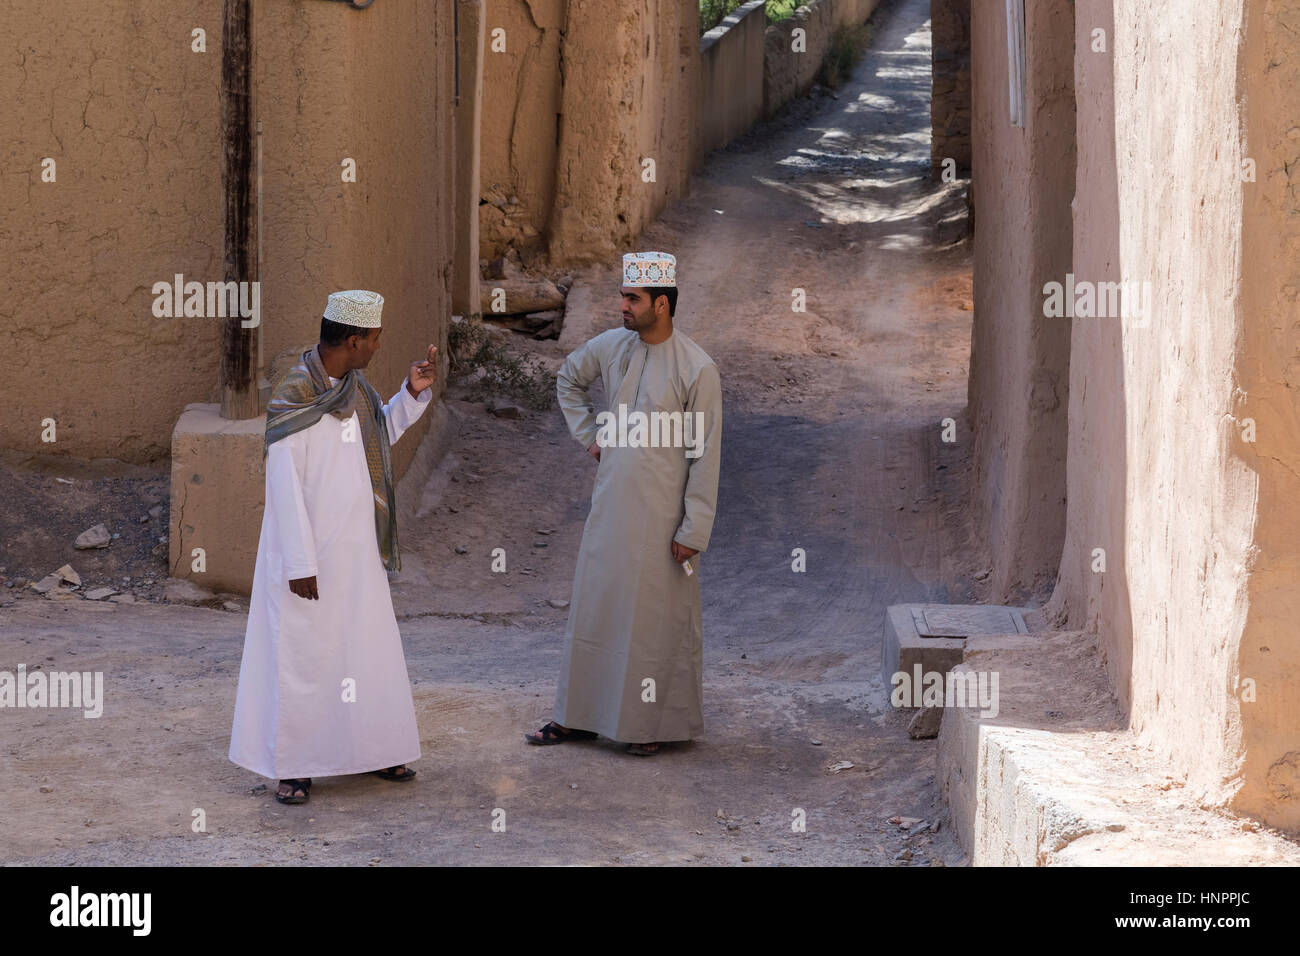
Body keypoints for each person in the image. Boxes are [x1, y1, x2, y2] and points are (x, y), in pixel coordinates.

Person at [229, 289, 437, 803]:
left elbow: (376, 439)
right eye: (375, 338)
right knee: (305, 657)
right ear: (352, 339)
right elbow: (283, 487)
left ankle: (375, 750)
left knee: (365, 653)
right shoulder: (294, 395)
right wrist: (300, 561)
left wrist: (409, 395)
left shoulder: (356, 390)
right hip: (307, 555)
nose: (379, 346)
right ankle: (296, 766)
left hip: (356, 551)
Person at [526, 252, 722, 756]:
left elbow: (705, 456)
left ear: (662, 302)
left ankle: (646, 728)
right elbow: (568, 378)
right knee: (595, 611)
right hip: (610, 508)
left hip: (662, 521)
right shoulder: (612, 347)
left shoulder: (697, 368)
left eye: (632, 298)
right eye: (622, 296)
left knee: (653, 625)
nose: (622, 306)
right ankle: (577, 718)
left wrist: (692, 529)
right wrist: (589, 436)